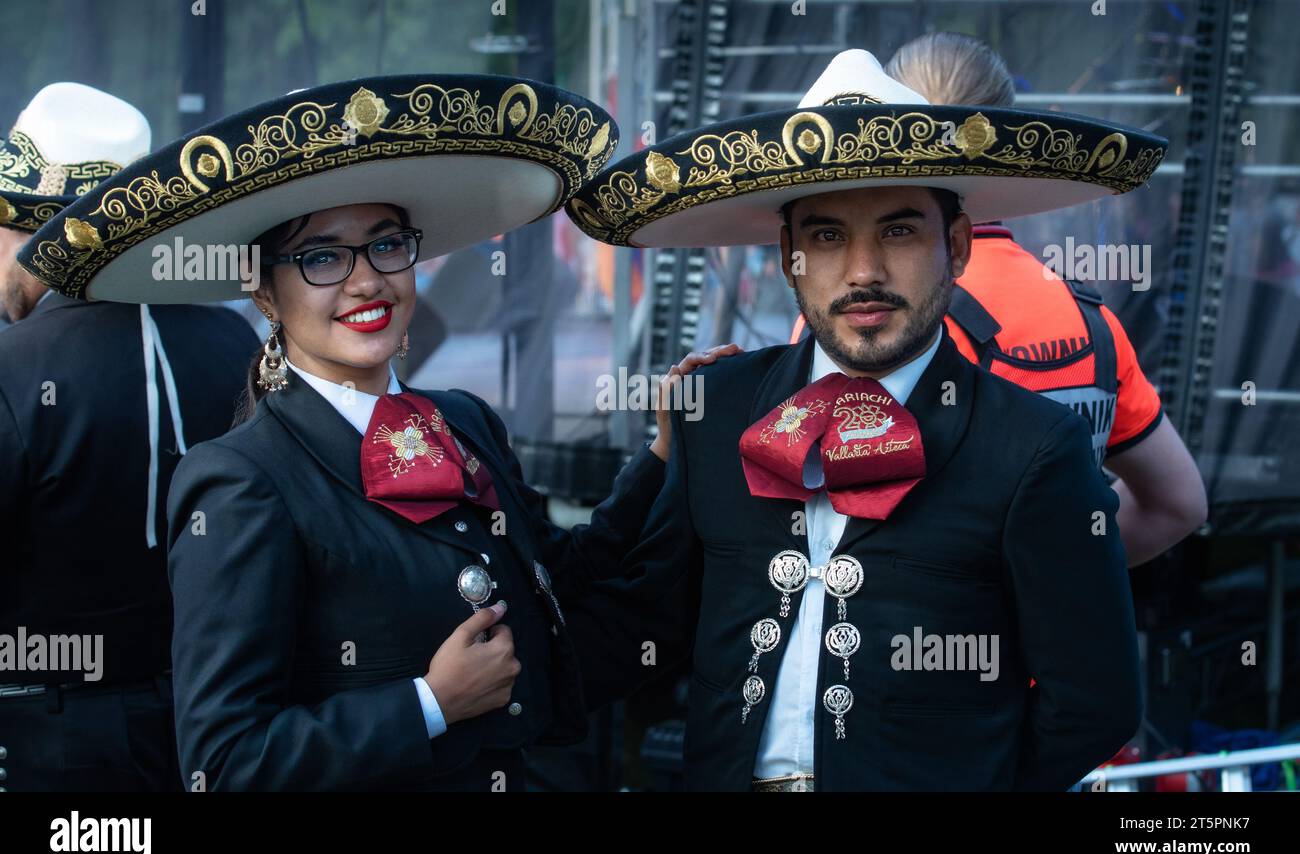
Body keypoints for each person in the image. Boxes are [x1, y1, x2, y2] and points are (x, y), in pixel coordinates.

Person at [18, 73, 736, 791]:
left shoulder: (464, 419)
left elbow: (559, 576)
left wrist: (660, 450)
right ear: (265, 291)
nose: (366, 281)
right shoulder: (242, 479)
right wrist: (428, 704)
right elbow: (225, 760)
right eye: (322, 256)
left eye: (386, 245)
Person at [565, 49, 1164, 790]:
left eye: (899, 231)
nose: (862, 271)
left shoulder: (1034, 447)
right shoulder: (713, 411)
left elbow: (1095, 702)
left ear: (956, 245)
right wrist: (433, 698)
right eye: (825, 237)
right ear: (788, 255)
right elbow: (639, 629)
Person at [0, 83, 258, 791]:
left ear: (34, 231)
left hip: (47, 745)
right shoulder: (235, 337)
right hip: (216, 728)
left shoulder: (10, 368)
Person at [885, 32, 1207, 566]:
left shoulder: (862, 317)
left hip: (898, 645)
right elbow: (1179, 505)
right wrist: (1051, 575)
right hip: (1052, 642)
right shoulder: (1090, 318)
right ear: (1005, 134)